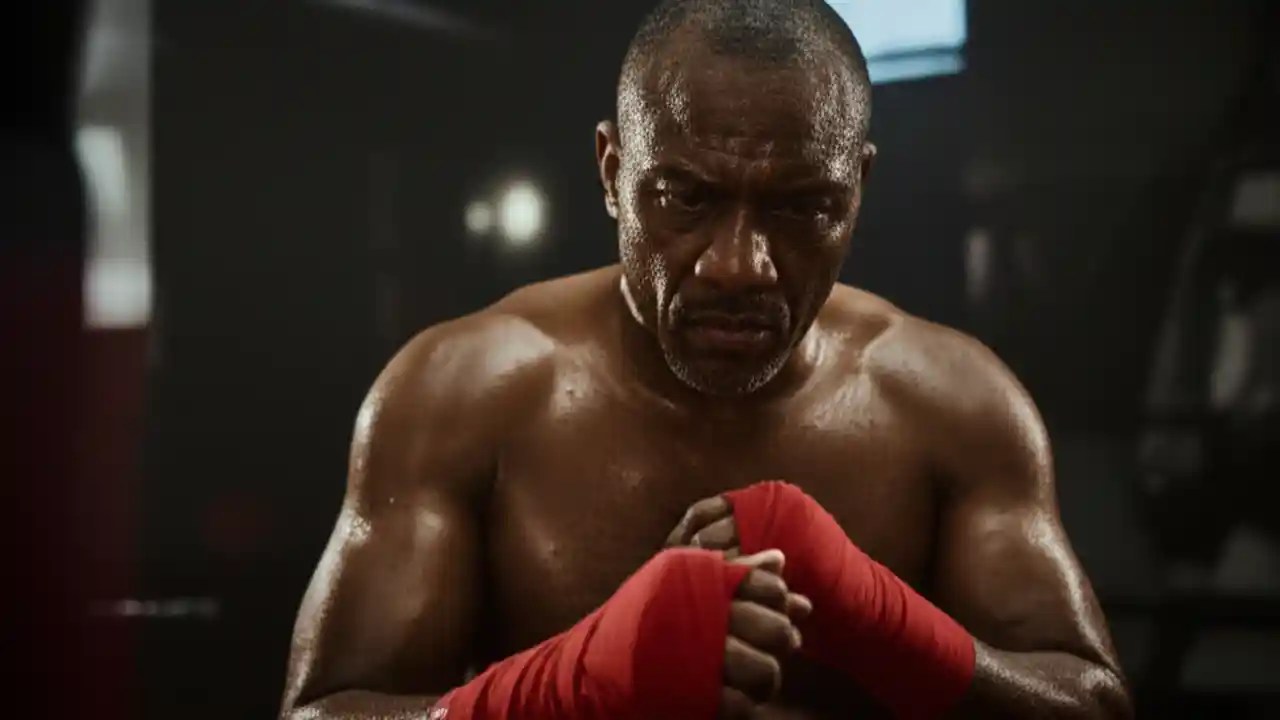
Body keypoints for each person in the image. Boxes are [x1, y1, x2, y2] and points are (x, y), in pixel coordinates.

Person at [281, 1, 1132, 717]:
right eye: (685, 197)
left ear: (857, 191)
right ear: (614, 173)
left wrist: (880, 618)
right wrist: (575, 682)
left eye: (802, 206)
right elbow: (325, 712)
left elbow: (1093, 702)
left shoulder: (953, 403)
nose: (738, 265)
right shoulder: (462, 394)